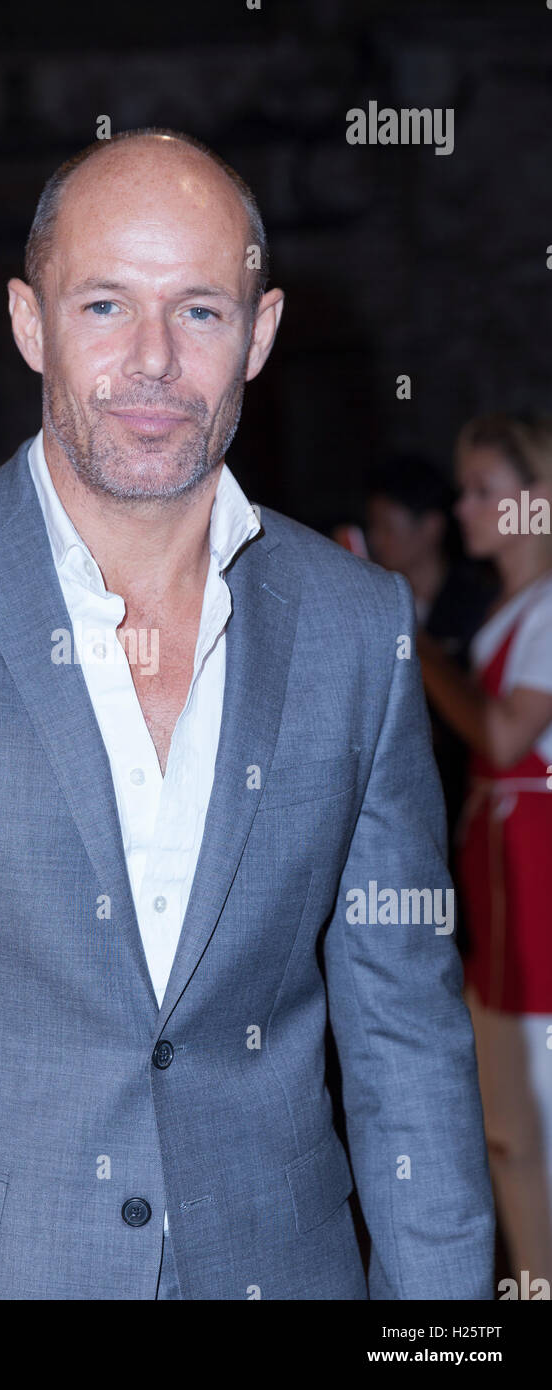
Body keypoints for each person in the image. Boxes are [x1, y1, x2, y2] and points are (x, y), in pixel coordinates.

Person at [0, 127, 494, 1301]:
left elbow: (408, 1036)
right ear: (29, 322)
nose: (154, 360)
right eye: (106, 304)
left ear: (259, 335)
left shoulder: (354, 625)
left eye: (202, 311)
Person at [416, 411, 552, 1286]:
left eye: (482, 491)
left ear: (535, 503)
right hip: (502, 875)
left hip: (538, 879)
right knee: (509, 1125)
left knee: (539, 1106)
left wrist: (415, 648)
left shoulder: (548, 608)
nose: (463, 507)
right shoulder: (506, 608)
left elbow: (505, 737)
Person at [365, 455, 498, 863]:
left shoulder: (480, 606)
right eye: (371, 528)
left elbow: (485, 721)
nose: (376, 540)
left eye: (388, 527)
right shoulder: (370, 603)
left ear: (431, 527)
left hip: (465, 802)